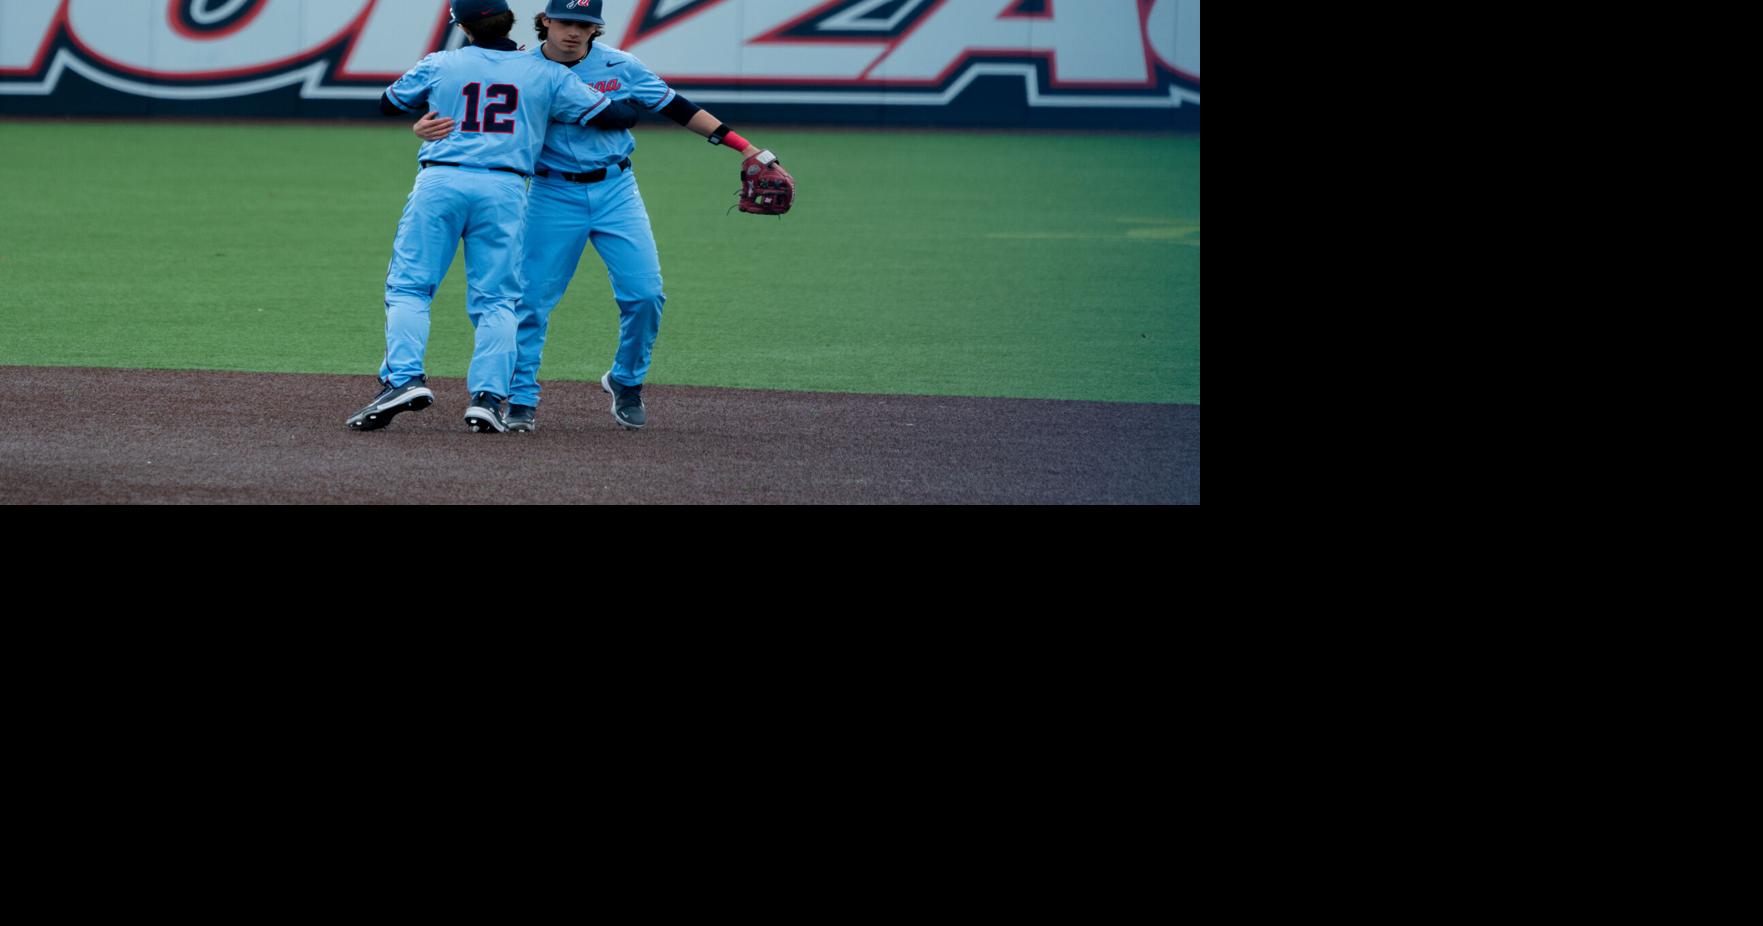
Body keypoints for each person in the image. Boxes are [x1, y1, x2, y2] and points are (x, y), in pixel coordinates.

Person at [413, 0, 786, 431]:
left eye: (585, 25)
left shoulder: (621, 65)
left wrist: (746, 147)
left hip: (616, 190)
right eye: (566, 22)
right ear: (546, 21)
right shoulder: (521, 68)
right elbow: (478, 116)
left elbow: (676, 107)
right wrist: (421, 127)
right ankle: (520, 400)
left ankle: (626, 381)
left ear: (597, 29)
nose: (574, 32)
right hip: (550, 192)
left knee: (645, 294)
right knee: (530, 302)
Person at [346, 0, 642, 433]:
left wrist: (424, 120)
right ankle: (487, 398)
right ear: (514, 22)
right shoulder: (546, 72)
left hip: (441, 181)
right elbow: (619, 115)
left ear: (463, 26)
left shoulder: (441, 63)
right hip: (505, 190)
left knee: (411, 286)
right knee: (498, 299)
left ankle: (404, 378)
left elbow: (389, 103)